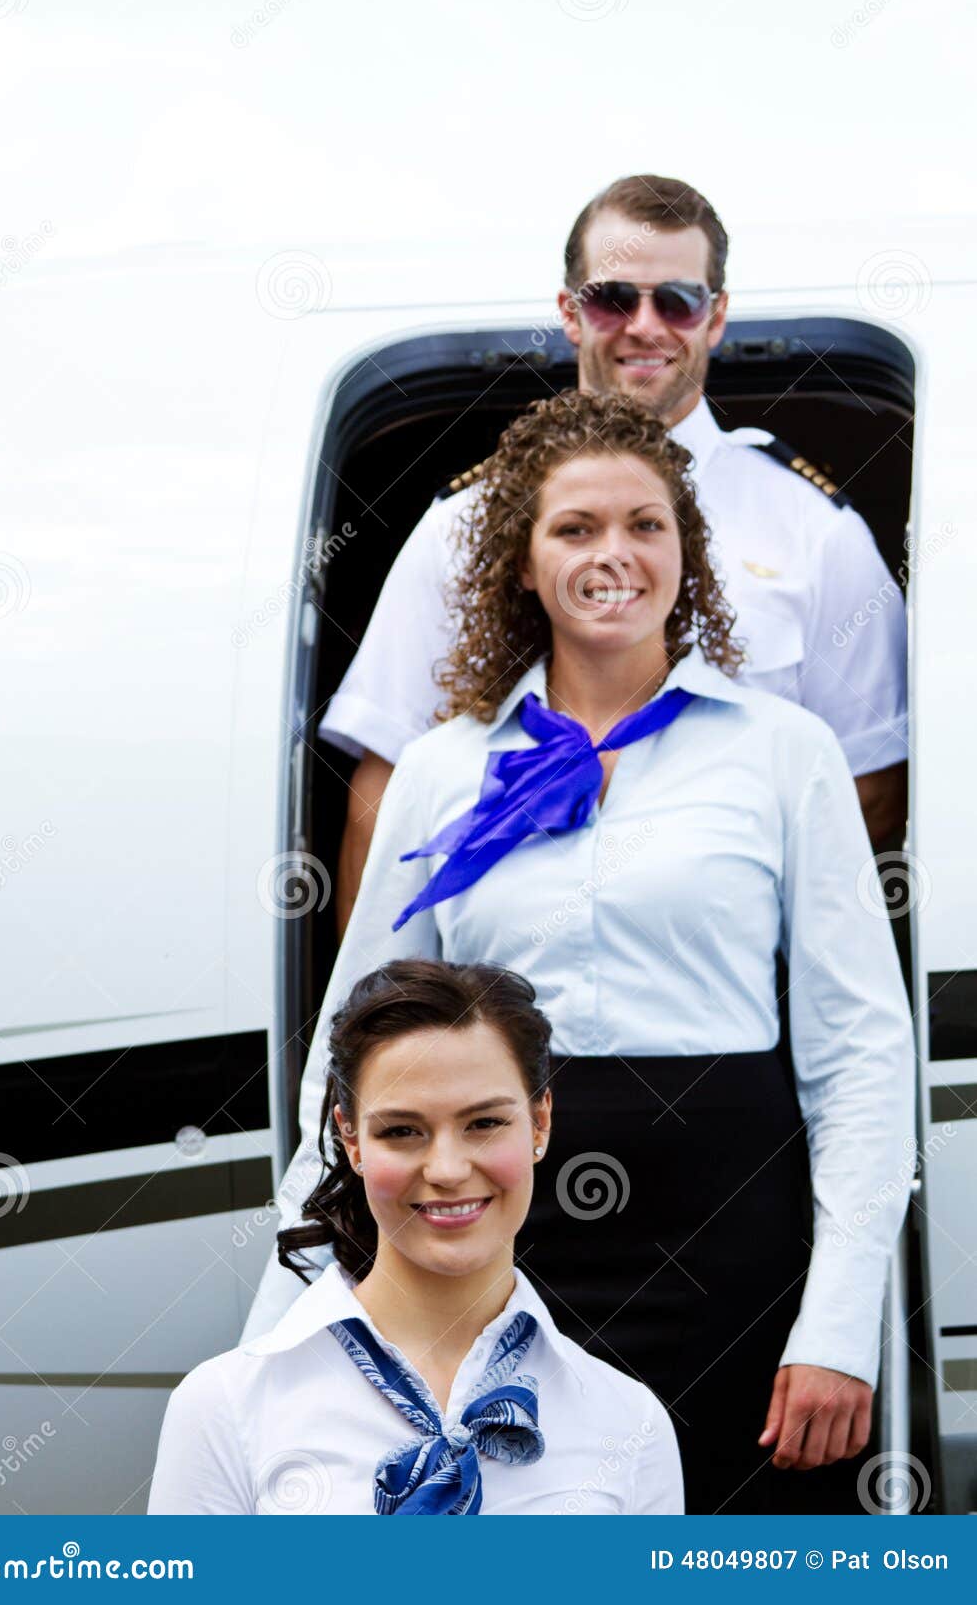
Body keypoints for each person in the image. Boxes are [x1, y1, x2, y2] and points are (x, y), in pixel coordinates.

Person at [241, 391, 915, 1515]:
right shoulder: (444, 770)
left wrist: (838, 1324)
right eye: (575, 528)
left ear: (685, 555)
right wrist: (298, 1293)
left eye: (646, 525)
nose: (615, 554)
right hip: (493, 1229)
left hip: (733, 1232)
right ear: (520, 560)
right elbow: (359, 1052)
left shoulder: (780, 754)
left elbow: (859, 1053)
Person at [324, 174, 907, 933]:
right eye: (611, 298)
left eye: (676, 300)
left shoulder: (813, 528)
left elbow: (872, 789)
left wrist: (699, 914)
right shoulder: (461, 524)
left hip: (721, 988)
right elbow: (384, 793)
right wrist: (388, 1030)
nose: (643, 325)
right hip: (500, 987)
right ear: (569, 313)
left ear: (715, 318)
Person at [149, 960, 683, 1515]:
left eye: (484, 1123)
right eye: (401, 1131)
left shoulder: (628, 1423)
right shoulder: (225, 1406)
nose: (447, 1169)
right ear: (351, 1140)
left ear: (540, 1123)